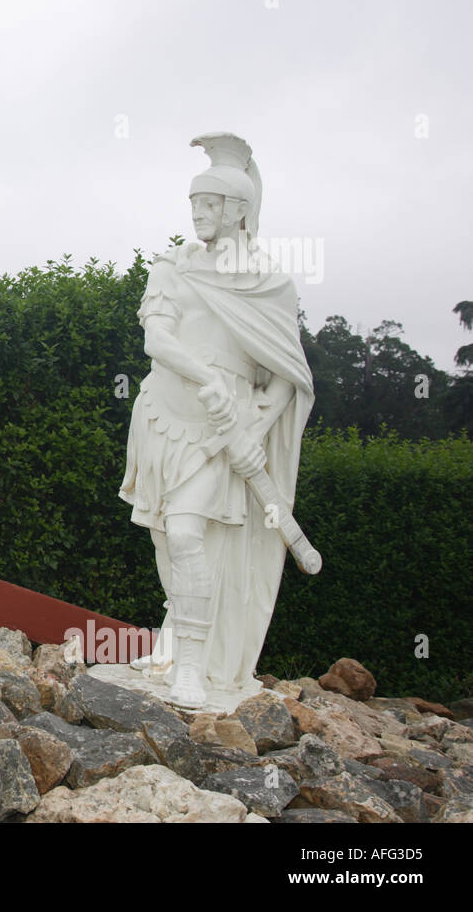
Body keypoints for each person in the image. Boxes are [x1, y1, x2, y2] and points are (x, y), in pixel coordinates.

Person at [118, 133, 314, 708]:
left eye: (209, 204)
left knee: (186, 532)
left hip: (220, 432)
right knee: (164, 540)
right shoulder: (172, 267)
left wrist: (256, 425)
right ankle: (177, 640)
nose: (197, 213)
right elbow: (157, 339)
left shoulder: (271, 285)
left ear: (238, 210)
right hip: (164, 413)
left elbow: (286, 375)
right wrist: (206, 378)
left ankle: (195, 671)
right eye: (193, 203)